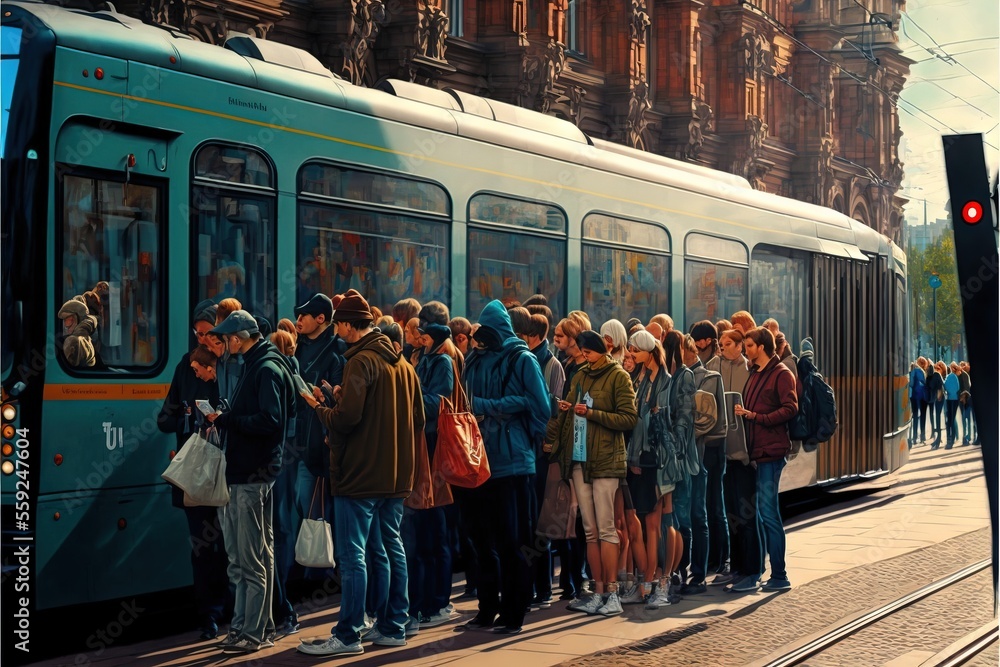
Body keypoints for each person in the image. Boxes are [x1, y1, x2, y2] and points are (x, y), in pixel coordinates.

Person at [298, 290, 423, 656]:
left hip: (359, 475)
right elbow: (418, 418)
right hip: (396, 475)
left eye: (339, 325)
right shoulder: (403, 365)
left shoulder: (359, 362)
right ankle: (393, 626)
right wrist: (341, 397)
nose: (337, 331)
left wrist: (320, 407)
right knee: (390, 549)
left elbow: (347, 420)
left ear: (350, 326)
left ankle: (349, 634)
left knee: (354, 556)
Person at [457, 300, 550, 634]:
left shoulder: (522, 358)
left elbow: (542, 406)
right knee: (481, 541)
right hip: (478, 461)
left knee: (513, 542)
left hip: (512, 464)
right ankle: (487, 609)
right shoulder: (474, 358)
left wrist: (488, 406)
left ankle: (513, 612)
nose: (480, 338)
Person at [206, 310, 295, 653]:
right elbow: (284, 414)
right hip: (259, 471)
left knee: (248, 558)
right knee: (260, 553)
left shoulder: (263, 368)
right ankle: (258, 627)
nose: (225, 344)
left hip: (250, 472)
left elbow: (270, 419)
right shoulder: (266, 363)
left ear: (239, 338)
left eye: (227, 338)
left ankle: (251, 633)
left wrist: (228, 419)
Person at [546, 330, 637, 616]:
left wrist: (591, 413)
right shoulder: (581, 375)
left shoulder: (618, 375)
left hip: (606, 460)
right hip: (579, 459)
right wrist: (567, 410)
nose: (584, 356)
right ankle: (598, 591)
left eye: (588, 352)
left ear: (600, 349)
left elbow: (629, 418)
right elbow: (572, 410)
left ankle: (612, 592)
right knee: (590, 530)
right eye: (582, 352)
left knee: (606, 528)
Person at [157, 306, 227, 641]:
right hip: (195, 469)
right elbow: (165, 417)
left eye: (208, 333)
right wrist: (185, 418)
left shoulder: (230, 367)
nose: (202, 340)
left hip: (225, 467)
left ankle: (231, 608)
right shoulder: (186, 366)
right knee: (201, 544)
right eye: (198, 334)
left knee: (227, 542)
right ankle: (208, 615)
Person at [733, 327, 797, 592]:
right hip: (757, 452)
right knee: (761, 513)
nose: (745, 349)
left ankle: (780, 575)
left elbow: (791, 408)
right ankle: (760, 570)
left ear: (761, 347)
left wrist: (756, 417)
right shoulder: (756, 372)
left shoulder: (781, 373)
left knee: (769, 514)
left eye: (749, 345)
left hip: (771, 453)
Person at [405, 316, 457, 629]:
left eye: (424, 336)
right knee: (424, 534)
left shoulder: (442, 362)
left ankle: (439, 601)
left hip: (436, 454)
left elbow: (438, 403)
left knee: (436, 532)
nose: (419, 339)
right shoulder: (424, 360)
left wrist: (409, 392)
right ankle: (425, 602)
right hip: (423, 452)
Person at [714, 328, 759, 591]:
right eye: (721, 344)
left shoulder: (750, 371)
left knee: (747, 514)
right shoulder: (715, 367)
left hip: (745, 455)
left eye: (728, 343)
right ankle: (737, 568)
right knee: (731, 513)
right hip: (724, 453)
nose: (722, 347)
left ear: (740, 346)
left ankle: (752, 570)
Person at [689, 320, 727, 578]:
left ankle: (720, 557)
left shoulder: (712, 369)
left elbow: (709, 414)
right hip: (705, 444)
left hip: (713, 444)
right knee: (707, 504)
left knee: (714, 504)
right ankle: (713, 558)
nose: (696, 344)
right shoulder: (703, 365)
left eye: (698, 340)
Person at [57, 298, 97, 367]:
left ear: (76, 318)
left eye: (67, 319)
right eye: (64, 320)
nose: (65, 325)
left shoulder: (74, 341)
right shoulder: (86, 337)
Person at [908, 360, 927, 447]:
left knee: (915, 416)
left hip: (915, 396)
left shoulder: (912, 372)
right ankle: (923, 436)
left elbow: (911, 384)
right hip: (923, 396)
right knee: (923, 416)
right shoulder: (922, 372)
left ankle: (914, 437)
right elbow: (925, 382)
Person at [927, 361, 946, 449]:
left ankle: (937, 441)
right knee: (938, 419)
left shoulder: (935, 375)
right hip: (940, 398)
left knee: (937, 420)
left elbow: (931, 385)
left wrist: (928, 378)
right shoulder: (939, 375)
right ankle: (937, 440)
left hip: (938, 398)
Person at [944, 363, 961, 449]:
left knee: (949, 421)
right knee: (953, 418)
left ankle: (949, 440)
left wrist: (949, 392)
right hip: (955, 399)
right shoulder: (956, 377)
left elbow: (945, 386)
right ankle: (953, 438)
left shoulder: (949, 376)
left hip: (950, 399)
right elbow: (958, 388)